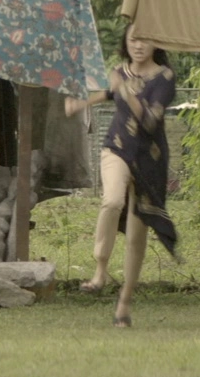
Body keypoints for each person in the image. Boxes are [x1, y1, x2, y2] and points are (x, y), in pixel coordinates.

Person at [65, 22, 181, 327]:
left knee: (135, 236)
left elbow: (151, 121)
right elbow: (109, 93)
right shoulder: (120, 71)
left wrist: (127, 92)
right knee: (112, 201)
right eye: (132, 39)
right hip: (116, 148)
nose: (138, 45)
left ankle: (124, 304)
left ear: (156, 44)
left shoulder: (165, 78)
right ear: (125, 42)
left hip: (149, 162)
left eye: (144, 40)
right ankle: (100, 269)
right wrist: (81, 103)